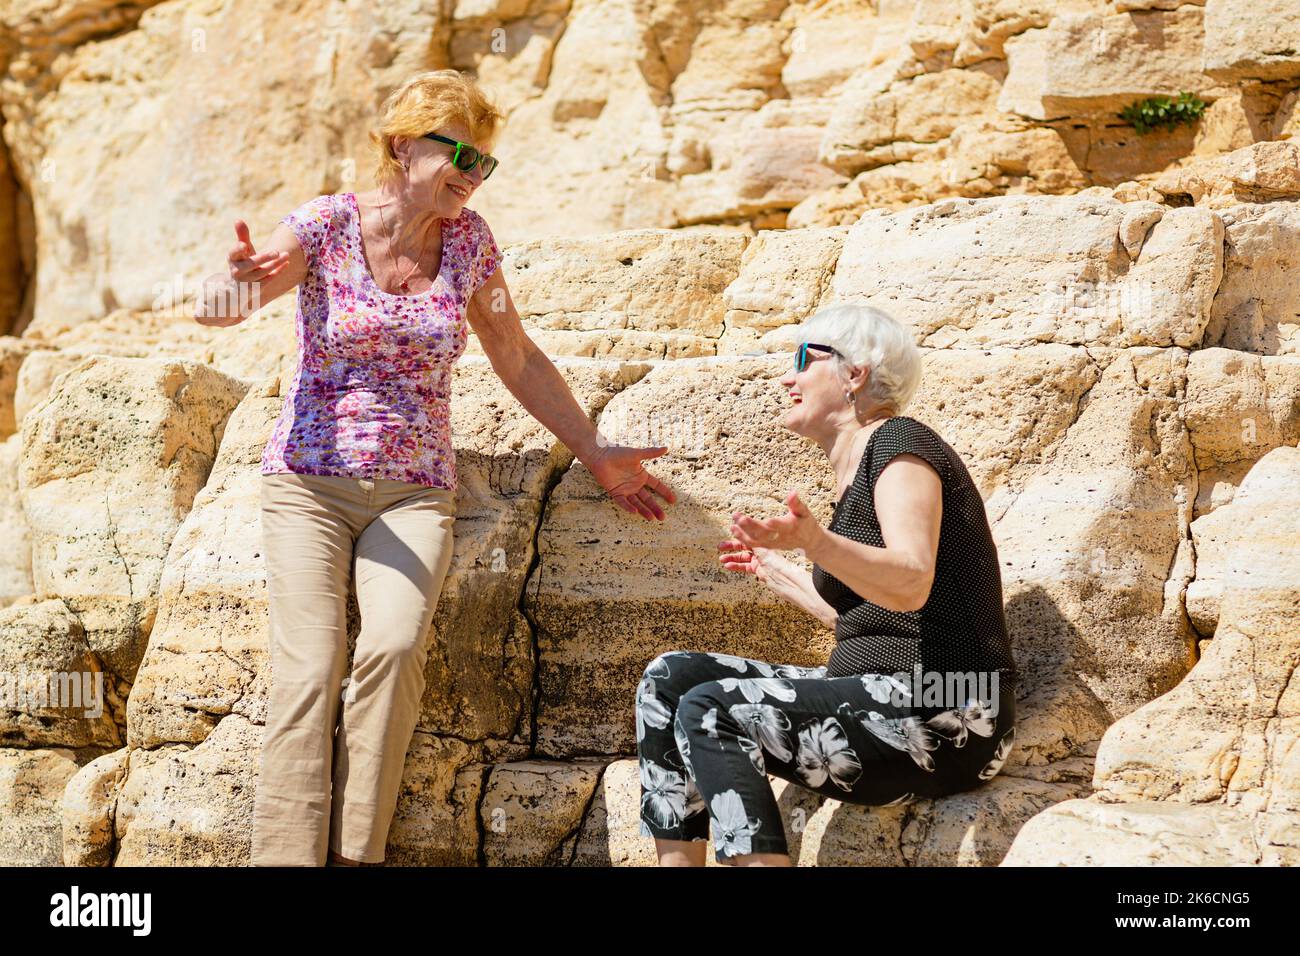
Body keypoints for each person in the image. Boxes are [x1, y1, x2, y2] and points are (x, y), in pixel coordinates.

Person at [196, 69, 676, 866]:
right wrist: (232, 284)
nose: (471, 173)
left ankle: (357, 855)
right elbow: (227, 302)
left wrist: (593, 451)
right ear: (400, 145)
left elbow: (514, 355)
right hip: (308, 485)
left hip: (414, 493)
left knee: (392, 649)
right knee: (310, 672)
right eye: (458, 152)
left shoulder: (470, 241)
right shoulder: (323, 223)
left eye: (484, 162)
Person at [636, 302, 1019, 866]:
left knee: (713, 707)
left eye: (801, 358)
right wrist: (780, 571)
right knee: (669, 679)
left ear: (855, 373)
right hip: (876, 691)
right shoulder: (855, 467)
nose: (786, 377)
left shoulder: (899, 445)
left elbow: (911, 581)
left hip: (950, 706)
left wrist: (816, 544)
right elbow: (873, 620)